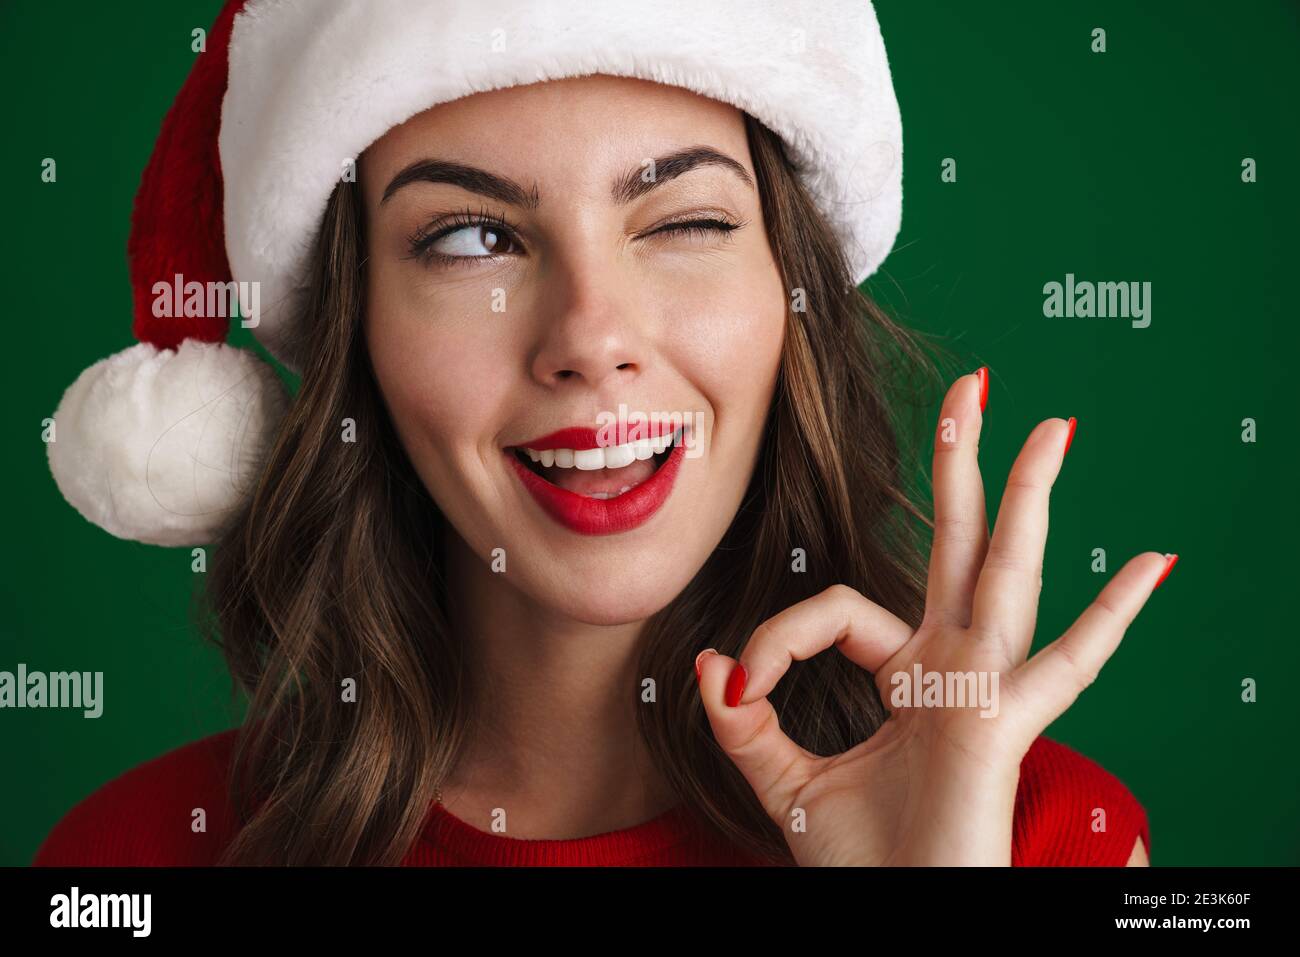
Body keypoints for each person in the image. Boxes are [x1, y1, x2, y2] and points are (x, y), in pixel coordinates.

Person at [37, 0, 1163, 867]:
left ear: (791, 295)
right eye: (473, 239)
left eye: (684, 222)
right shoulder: (127, 861)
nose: (591, 337)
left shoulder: (1052, 837)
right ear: (355, 329)